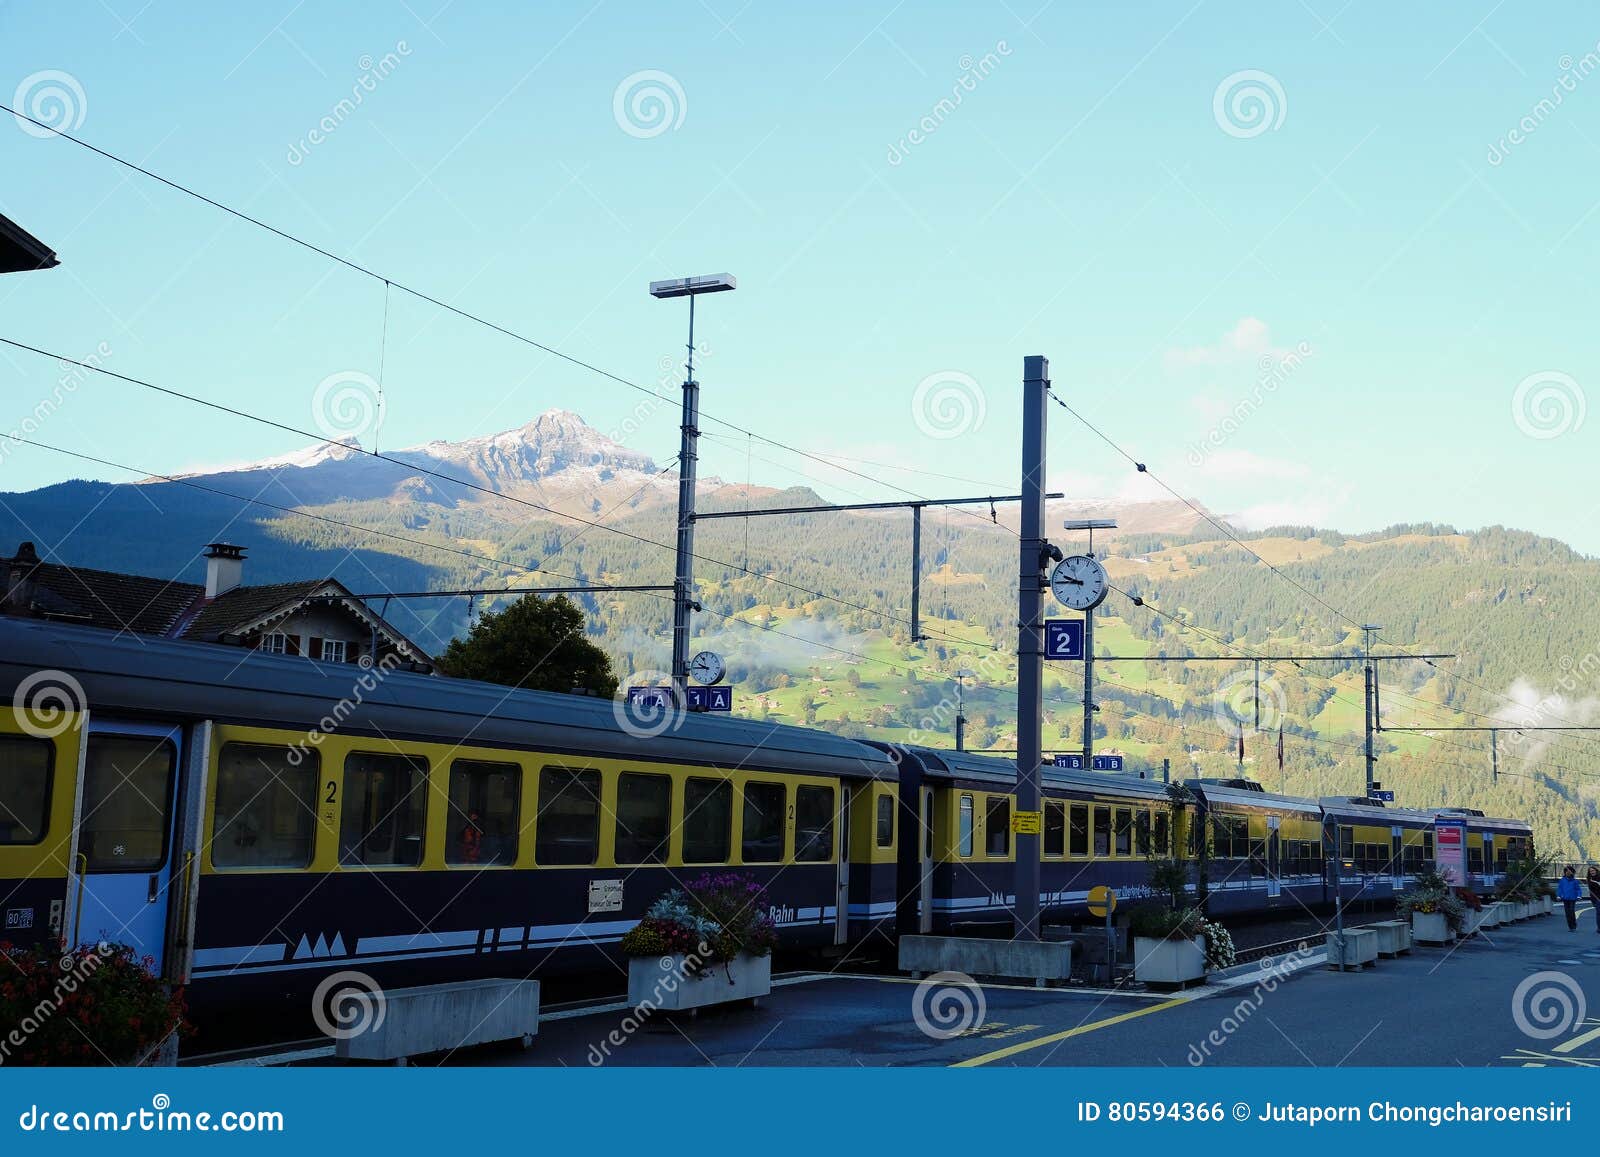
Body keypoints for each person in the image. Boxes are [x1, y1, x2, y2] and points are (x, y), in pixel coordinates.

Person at [1557, 865, 1582, 931]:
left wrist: (1579, 896)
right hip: (1565, 899)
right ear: (1565, 873)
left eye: (1569, 871)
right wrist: (1559, 895)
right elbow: (1560, 888)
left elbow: (1578, 889)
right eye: (1566, 871)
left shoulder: (1575, 881)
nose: (1568, 872)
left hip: (1572, 899)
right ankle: (1570, 927)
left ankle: (1573, 926)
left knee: (1571, 911)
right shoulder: (1562, 880)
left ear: (1572, 872)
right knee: (1567, 913)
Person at [1588, 866, 1600, 933]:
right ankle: (1599, 928)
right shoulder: (1590, 880)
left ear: (1596, 870)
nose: (1592, 872)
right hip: (1597, 899)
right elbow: (1591, 892)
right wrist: (1593, 901)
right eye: (1590, 871)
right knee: (1598, 913)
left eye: (1593, 870)